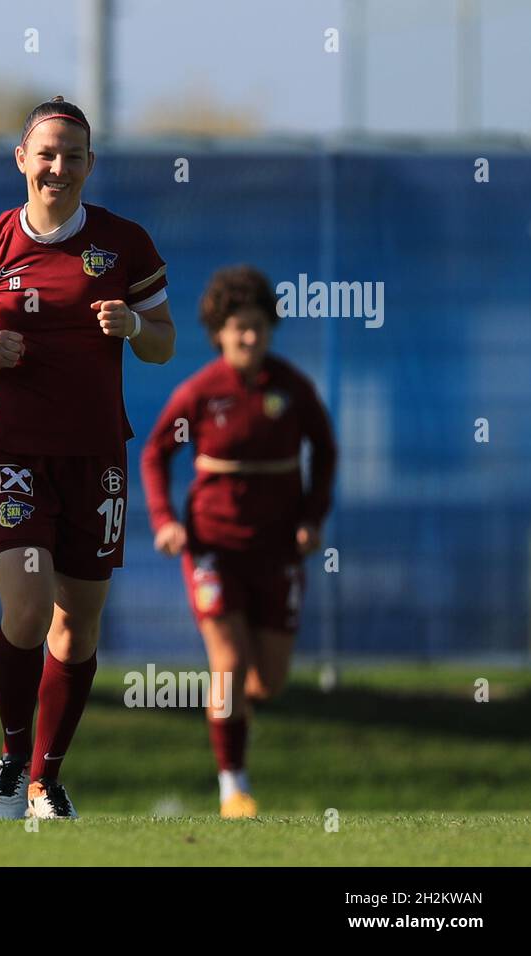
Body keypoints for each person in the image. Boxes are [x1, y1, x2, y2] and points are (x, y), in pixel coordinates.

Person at [0, 96, 175, 819]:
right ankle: (11, 753)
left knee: (80, 624)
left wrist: (133, 325)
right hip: (13, 455)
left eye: (72, 155)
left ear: (89, 166)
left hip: (96, 459)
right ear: (22, 161)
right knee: (28, 609)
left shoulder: (125, 245)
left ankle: (45, 780)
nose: (57, 166)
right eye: (46, 153)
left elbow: (165, 342)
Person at [140, 264, 336, 819]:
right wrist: (165, 521)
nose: (249, 337)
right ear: (219, 333)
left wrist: (312, 517)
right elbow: (155, 453)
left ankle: (231, 712)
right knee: (226, 661)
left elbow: (326, 451)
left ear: (270, 328)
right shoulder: (200, 393)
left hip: (278, 552)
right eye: (237, 328)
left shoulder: (292, 390)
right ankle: (234, 788)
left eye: (257, 326)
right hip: (212, 549)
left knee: (268, 680)